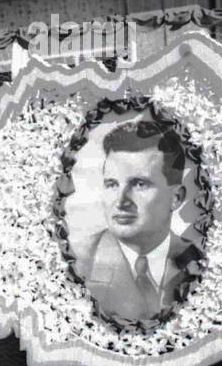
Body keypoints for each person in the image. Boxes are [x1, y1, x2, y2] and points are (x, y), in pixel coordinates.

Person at [79, 120, 198, 324]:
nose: (121, 201)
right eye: (112, 184)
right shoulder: (77, 263)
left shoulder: (200, 263)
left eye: (139, 184)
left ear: (176, 198)